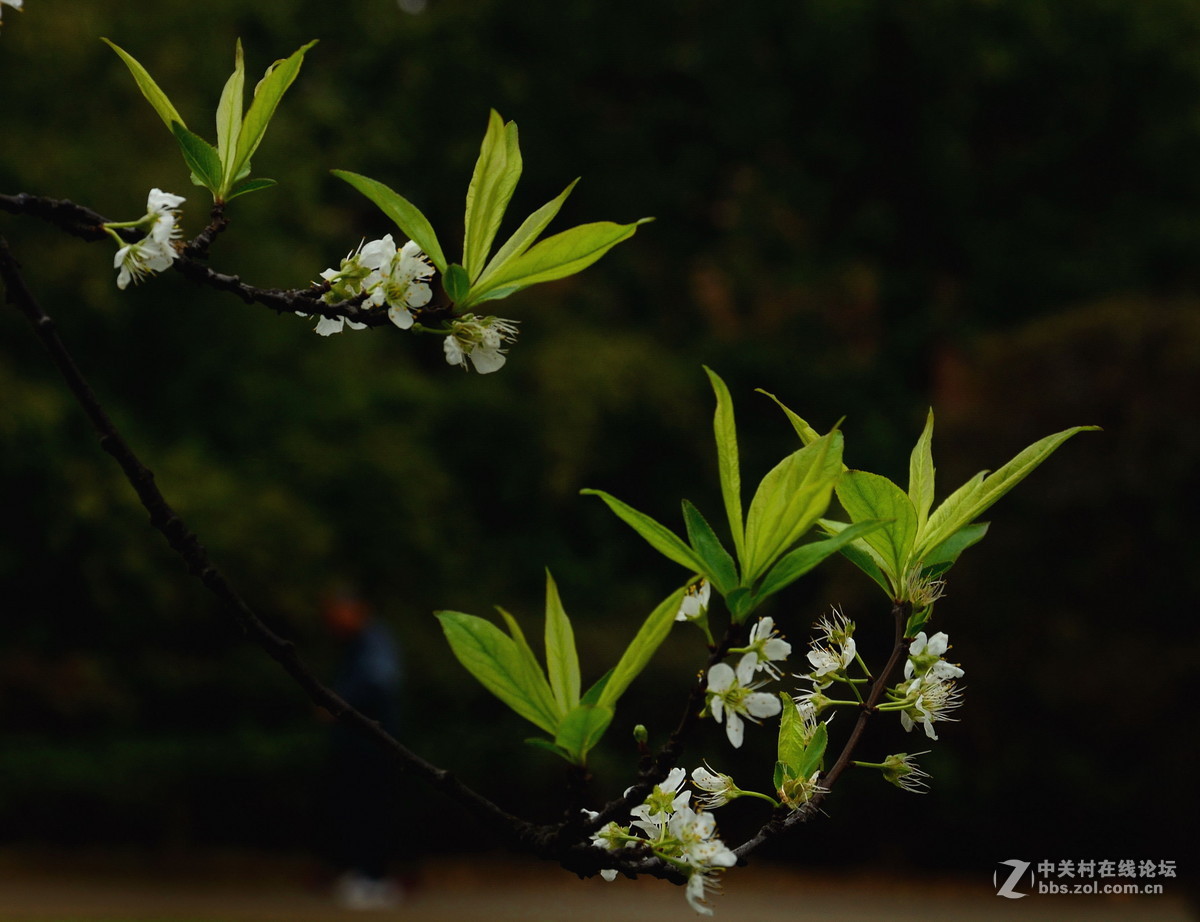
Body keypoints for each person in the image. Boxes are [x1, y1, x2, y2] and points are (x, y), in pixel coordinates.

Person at [320, 587, 405, 910]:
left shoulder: (374, 641)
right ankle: (362, 873)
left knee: (373, 811)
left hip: (374, 747)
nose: (333, 621)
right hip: (357, 747)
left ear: (357, 610)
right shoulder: (352, 644)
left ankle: (375, 879)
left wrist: (338, 704)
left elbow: (379, 682)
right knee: (353, 810)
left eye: (339, 612)